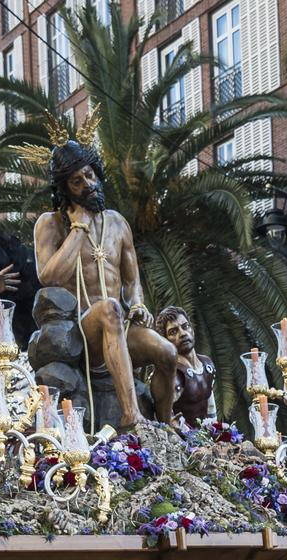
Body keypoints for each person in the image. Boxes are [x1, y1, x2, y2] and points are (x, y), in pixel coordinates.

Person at [34, 139, 177, 429]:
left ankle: (165, 424)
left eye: (90, 175)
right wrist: (78, 228)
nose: (88, 184)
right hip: (80, 334)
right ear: (65, 189)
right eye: (77, 181)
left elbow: (131, 279)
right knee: (109, 309)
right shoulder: (51, 224)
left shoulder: (117, 223)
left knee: (167, 353)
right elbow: (48, 276)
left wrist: (137, 303)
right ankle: (130, 415)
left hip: (120, 330)